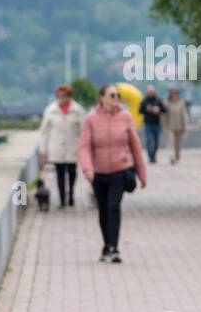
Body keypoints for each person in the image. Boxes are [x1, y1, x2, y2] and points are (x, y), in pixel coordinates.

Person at [79, 83, 148, 263]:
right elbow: (84, 147)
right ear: (101, 98)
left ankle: (114, 247)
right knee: (103, 210)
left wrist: (141, 173)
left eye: (118, 96)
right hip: (99, 173)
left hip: (121, 169)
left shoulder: (125, 117)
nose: (116, 99)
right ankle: (106, 244)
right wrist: (87, 168)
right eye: (112, 95)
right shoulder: (90, 119)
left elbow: (135, 146)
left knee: (113, 206)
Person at [37, 83, 86, 208]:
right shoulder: (50, 110)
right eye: (59, 96)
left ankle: (71, 195)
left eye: (64, 96)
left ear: (69, 96)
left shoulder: (78, 110)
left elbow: (84, 130)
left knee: (72, 173)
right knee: (59, 174)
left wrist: (84, 147)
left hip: (72, 146)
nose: (61, 98)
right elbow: (44, 132)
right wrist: (43, 149)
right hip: (56, 147)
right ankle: (62, 199)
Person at [139, 84, 164, 163]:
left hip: (157, 123)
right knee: (150, 140)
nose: (151, 92)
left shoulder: (158, 100)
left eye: (152, 91)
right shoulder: (144, 100)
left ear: (154, 91)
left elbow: (164, 110)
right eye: (149, 91)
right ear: (147, 92)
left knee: (156, 141)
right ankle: (151, 157)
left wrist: (158, 109)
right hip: (148, 124)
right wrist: (146, 109)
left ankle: (153, 155)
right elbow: (140, 111)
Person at [165, 86, 188, 164]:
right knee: (171, 143)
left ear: (177, 94)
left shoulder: (181, 103)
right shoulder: (167, 103)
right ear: (170, 94)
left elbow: (184, 115)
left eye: (175, 93)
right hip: (170, 127)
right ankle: (172, 157)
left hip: (179, 127)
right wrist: (164, 126)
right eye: (172, 93)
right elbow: (164, 116)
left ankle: (177, 156)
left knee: (178, 144)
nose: (174, 95)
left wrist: (185, 126)